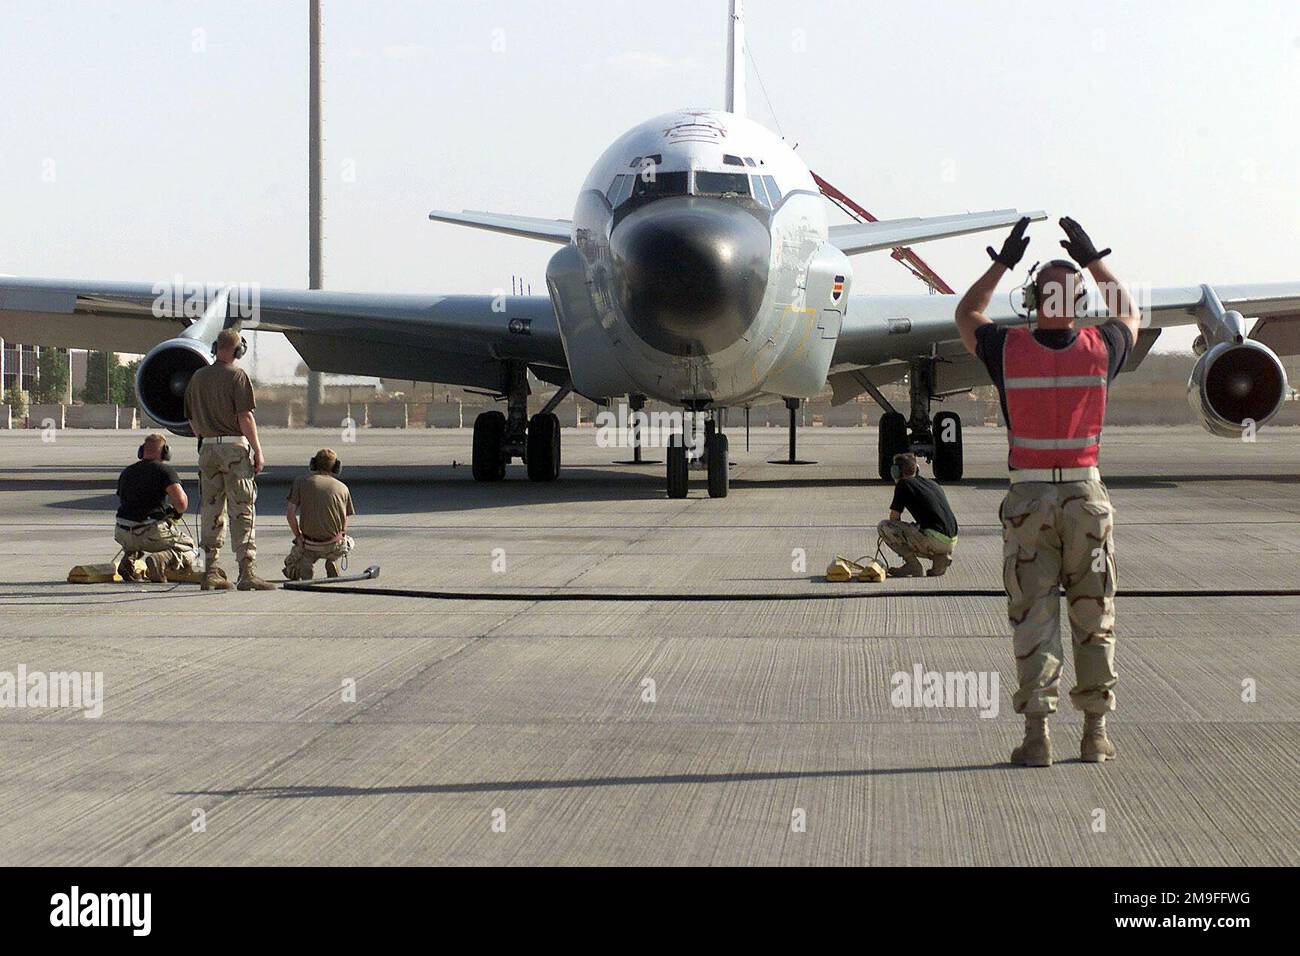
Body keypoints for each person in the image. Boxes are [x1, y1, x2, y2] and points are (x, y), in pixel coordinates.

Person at [955, 216, 1142, 767]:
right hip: (1086, 496)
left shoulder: (1008, 348)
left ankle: (1037, 737)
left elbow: (966, 313)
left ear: (1032, 300)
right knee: (1094, 613)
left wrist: (1002, 262)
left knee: (1033, 614)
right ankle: (1095, 733)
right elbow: (1130, 312)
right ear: (1080, 300)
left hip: (1029, 500)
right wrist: (1093, 259)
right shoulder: (1100, 347)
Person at [183, 327, 276, 591]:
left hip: (207, 449)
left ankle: (210, 571)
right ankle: (247, 573)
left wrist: (207, 436)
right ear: (238, 351)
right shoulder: (237, 376)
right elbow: (244, 417)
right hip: (234, 449)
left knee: (211, 509)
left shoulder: (197, 378)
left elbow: (191, 420)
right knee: (242, 510)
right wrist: (257, 449)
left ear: (215, 347)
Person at [114, 433, 196, 583]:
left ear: (141, 451)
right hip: (149, 532)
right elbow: (181, 503)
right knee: (189, 548)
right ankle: (160, 559)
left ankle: (129, 559)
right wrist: (174, 513)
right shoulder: (164, 471)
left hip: (122, 533)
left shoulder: (127, 472)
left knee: (136, 533)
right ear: (166, 452)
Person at [877, 453, 958, 577]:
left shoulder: (903, 485)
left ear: (896, 471)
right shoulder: (932, 483)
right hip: (951, 540)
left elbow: (894, 518)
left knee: (885, 527)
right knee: (921, 529)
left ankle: (912, 565)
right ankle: (941, 557)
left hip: (934, 539)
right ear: (917, 469)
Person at [283, 448, 356, 581]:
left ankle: (305, 563)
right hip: (333, 543)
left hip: (309, 543)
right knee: (350, 541)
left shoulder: (301, 482)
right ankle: (332, 559)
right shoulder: (343, 488)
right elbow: (344, 521)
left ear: (314, 464)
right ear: (336, 467)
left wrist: (298, 536)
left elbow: (290, 514)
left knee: (290, 567)